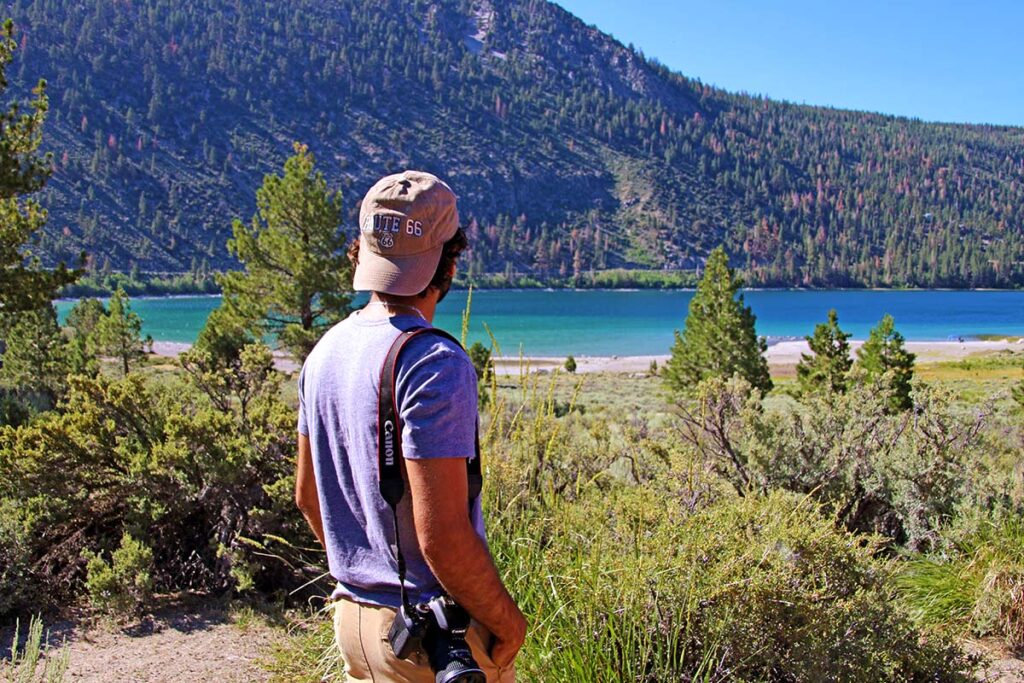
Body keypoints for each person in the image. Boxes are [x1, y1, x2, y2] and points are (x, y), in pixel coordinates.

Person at [294, 171, 527, 682]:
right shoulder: (434, 361)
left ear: (363, 253)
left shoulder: (325, 353)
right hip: (433, 641)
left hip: (355, 625)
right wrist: (509, 626)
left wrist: (363, 580)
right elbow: (441, 536)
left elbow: (309, 499)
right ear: (448, 261)